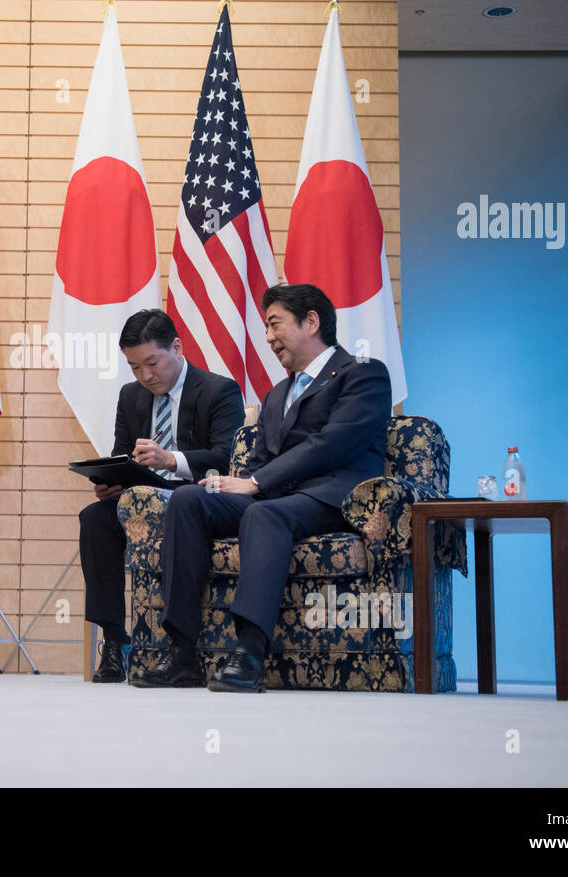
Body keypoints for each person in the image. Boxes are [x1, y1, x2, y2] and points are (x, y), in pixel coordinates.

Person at [130, 283, 392, 692]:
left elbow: (334, 443)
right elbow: (261, 460)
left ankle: (250, 652)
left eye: (275, 324)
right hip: (277, 495)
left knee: (262, 512)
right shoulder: (278, 394)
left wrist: (255, 483)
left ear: (311, 321)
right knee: (188, 500)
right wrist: (228, 482)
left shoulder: (364, 372)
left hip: (332, 497)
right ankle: (182, 653)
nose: (267, 337)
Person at [79, 309, 244, 684]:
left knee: (180, 507)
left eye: (152, 363)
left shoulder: (219, 390)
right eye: (135, 367)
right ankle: (114, 642)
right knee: (95, 518)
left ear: (177, 347)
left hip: (194, 499)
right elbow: (122, 455)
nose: (146, 376)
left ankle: (179, 648)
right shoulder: (131, 396)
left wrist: (172, 460)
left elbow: (226, 458)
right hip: (141, 502)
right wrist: (110, 482)